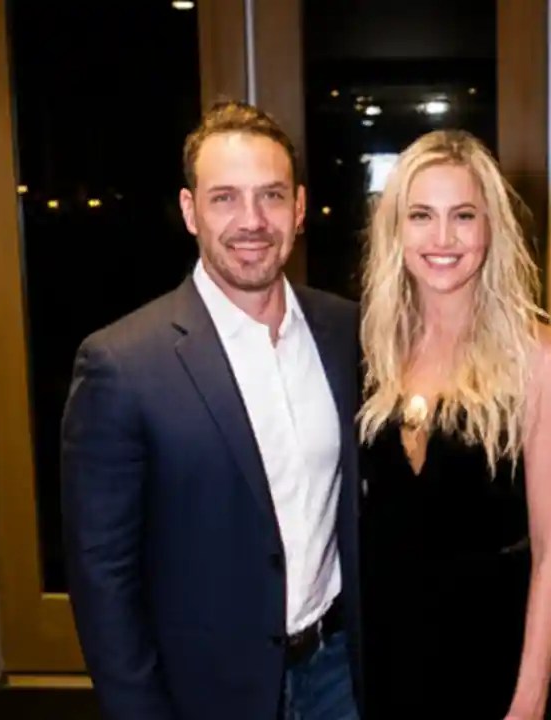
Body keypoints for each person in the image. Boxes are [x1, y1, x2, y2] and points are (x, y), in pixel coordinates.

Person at [61, 101, 362, 720]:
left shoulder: (347, 331)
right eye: (225, 198)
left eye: (272, 196)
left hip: (340, 673)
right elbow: (102, 578)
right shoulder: (121, 364)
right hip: (206, 693)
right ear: (189, 211)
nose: (251, 220)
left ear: (300, 208)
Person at [357, 130, 551, 719]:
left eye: (463, 215)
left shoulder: (539, 359)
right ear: (395, 231)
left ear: (492, 228)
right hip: (383, 659)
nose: (442, 238)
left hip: (492, 657)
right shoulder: (372, 350)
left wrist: (530, 699)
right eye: (421, 216)